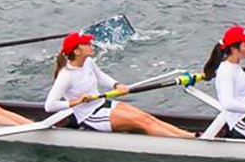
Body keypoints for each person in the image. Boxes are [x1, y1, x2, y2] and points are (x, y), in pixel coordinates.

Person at [45, 31, 192, 138]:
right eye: (87, 44)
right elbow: (49, 106)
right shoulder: (65, 76)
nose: (92, 45)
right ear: (77, 51)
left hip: (103, 103)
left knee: (146, 117)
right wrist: (77, 101)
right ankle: (186, 144)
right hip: (90, 116)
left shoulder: (88, 62)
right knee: (141, 122)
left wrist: (116, 85)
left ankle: (190, 136)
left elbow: (101, 76)